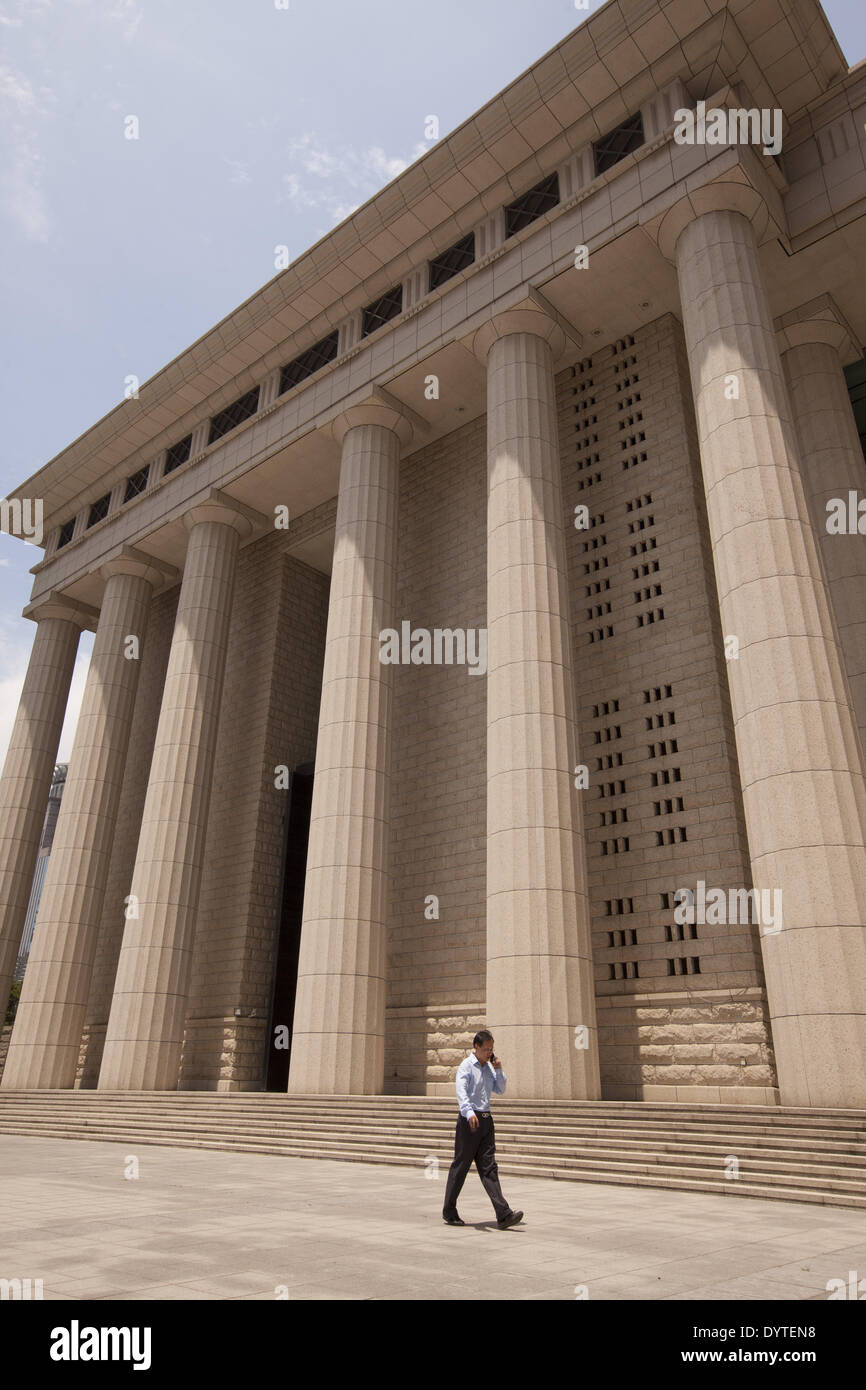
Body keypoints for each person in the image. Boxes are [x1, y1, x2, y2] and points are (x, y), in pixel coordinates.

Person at [442, 1029, 524, 1228]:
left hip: (486, 1120)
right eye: (486, 1049)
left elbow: (500, 1089)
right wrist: (468, 1112)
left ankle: (503, 1214)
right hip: (470, 1120)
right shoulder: (466, 1066)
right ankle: (449, 1211)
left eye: (491, 1050)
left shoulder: (488, 1067)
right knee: (460, 1166)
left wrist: (498, 1069)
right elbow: (461, 1092)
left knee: (489, 1168)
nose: (489, 1053)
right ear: (476, 1047)